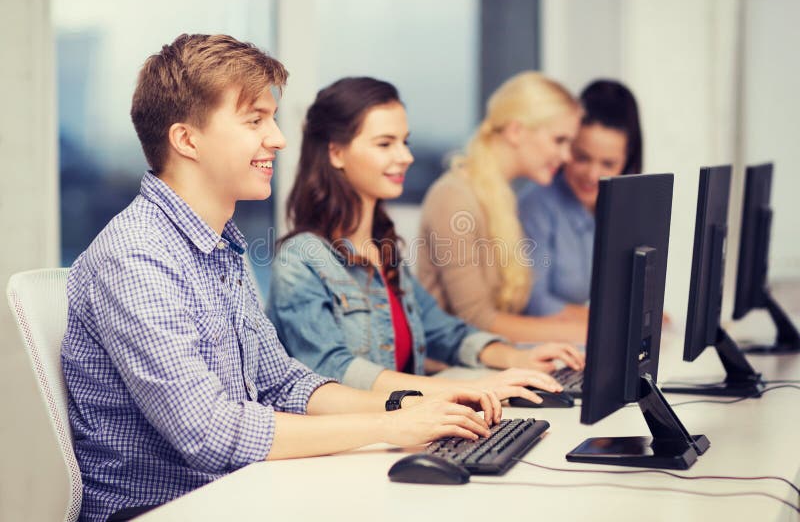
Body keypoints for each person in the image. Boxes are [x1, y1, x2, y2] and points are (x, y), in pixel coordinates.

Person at [61, 35, 512, 522]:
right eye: (255, 120)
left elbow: (283, 383)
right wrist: (389, 424)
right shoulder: (137, 257)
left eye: (271, 120)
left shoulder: (219, 246)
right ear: (186, 139)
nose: (277, 138)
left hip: (235, 492)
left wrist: (417, 402)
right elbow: (210, 432)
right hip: (164, 508)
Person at [267, 76, 583, 399]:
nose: (405, 156)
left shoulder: (383, 250)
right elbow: (334, 370)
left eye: (405, 142)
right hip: (359, 442)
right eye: (385, 144)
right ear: (336, 153)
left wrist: (519, 358)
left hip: (408, 430)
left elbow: (445, 332)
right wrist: (462, 390)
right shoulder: (301, 259)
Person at [417, 71, 587, 344]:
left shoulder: (502, 198)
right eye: (559, 140)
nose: (566, 156)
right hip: (449, 371)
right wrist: (587, 334)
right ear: (516, 131)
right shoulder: (454, 198)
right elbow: (476, 319)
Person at [517, 79, 642, 316]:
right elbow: (533, 303)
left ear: (627, 162)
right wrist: (613, 319)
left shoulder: (621, 208)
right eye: (582, 157)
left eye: (608, 163)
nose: (593, 175)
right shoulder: (536, 206)